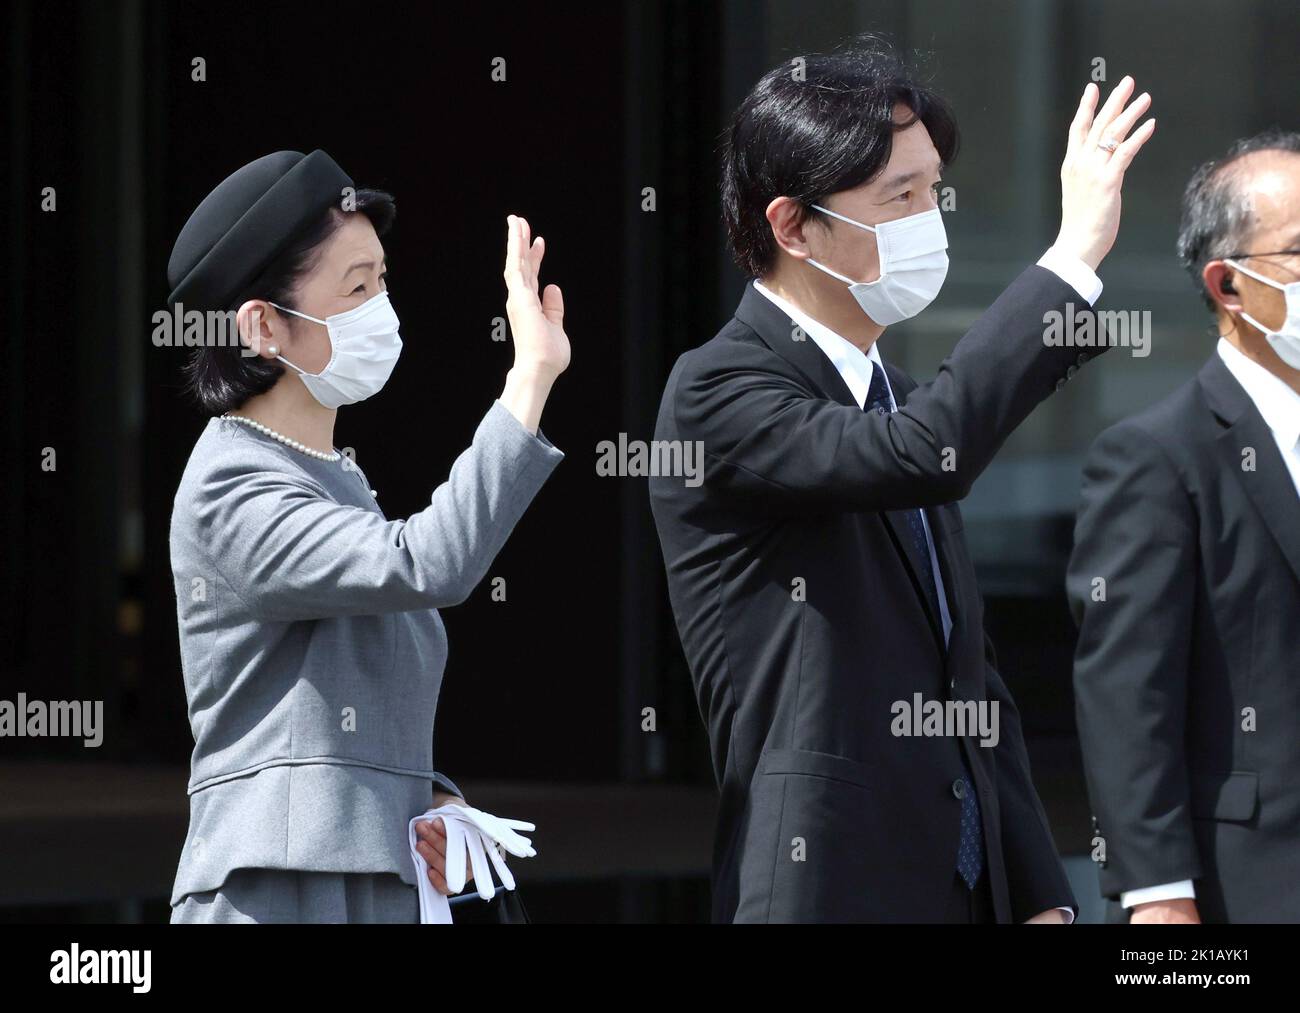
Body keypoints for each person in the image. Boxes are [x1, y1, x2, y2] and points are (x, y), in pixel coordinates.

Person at [648, 37, 1154, 922]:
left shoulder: (895, 394)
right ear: (793, 226)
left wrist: (1037, 891)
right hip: (826, 883)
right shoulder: (718, 389)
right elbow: (925, 452)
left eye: (934, 190)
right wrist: (1071, 258)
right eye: (902, 197)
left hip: (966, 889)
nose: (932, 217)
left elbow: (970, 677)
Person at [165, 149, 569, 922]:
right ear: (263, 326)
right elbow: (429, 562)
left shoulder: (336, 476)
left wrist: (431, 798)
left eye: (381, 279)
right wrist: (530, 379)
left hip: (375, 880)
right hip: (278, 888)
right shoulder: (230, 482)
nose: (381, 305)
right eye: (355, 286)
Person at [1068, 129, 1300, 924]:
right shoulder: (1158, 455)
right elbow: (1128, 689)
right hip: (1250, 883)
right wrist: (1158, 893)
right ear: (1228, 285)